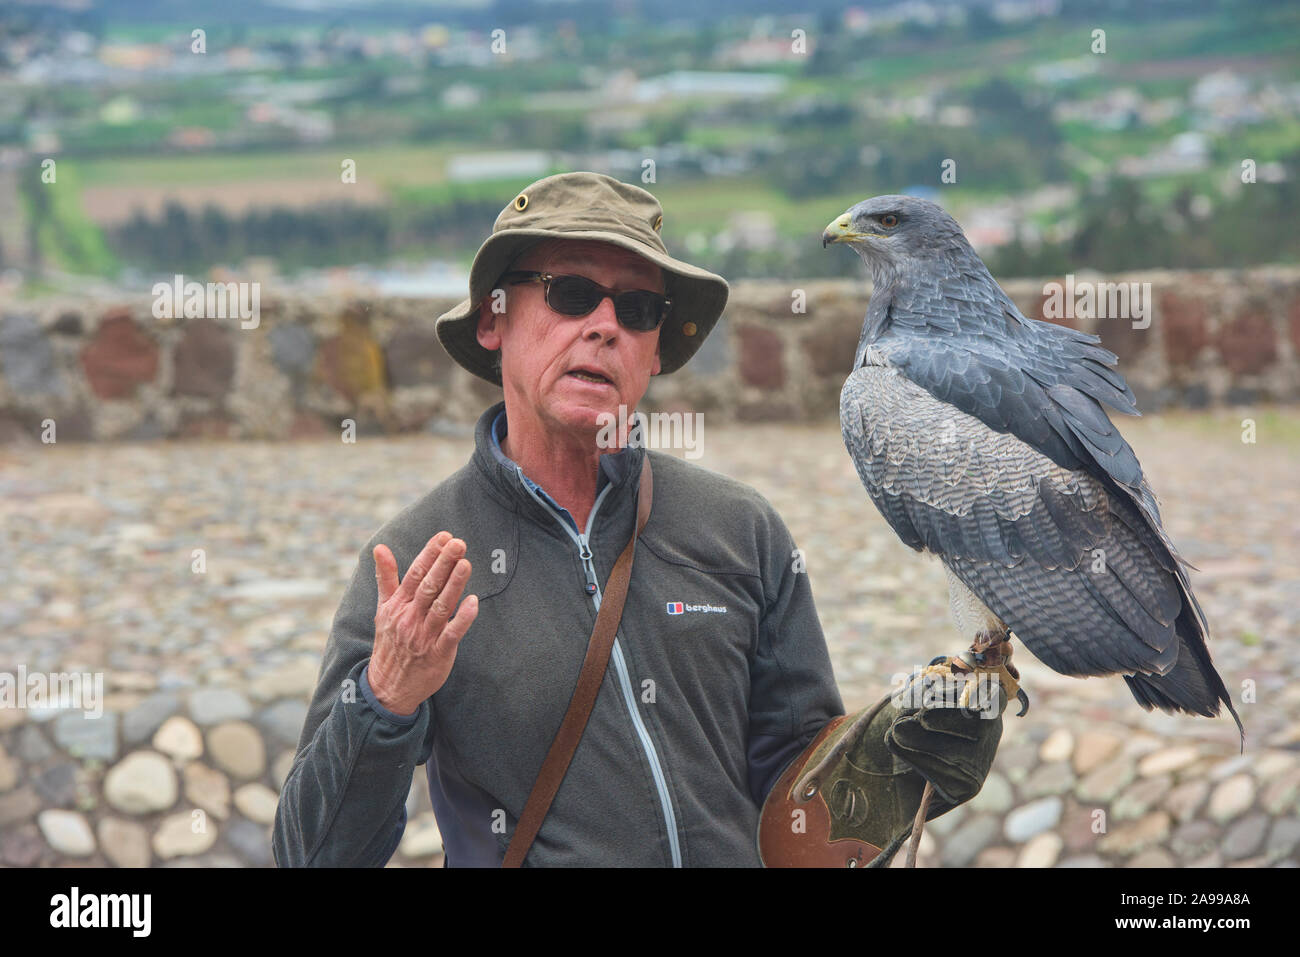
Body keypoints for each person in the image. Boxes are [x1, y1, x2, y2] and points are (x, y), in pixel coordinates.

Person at [272, 171, 1008, 868]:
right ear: (494, 319)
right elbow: (313, 854)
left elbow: (795, 791)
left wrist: (891, 763)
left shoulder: (741, 528)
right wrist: (385, 699)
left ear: (656, 349)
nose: (603, 326)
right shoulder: (413, 565)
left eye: (637, 309)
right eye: (570, 293)